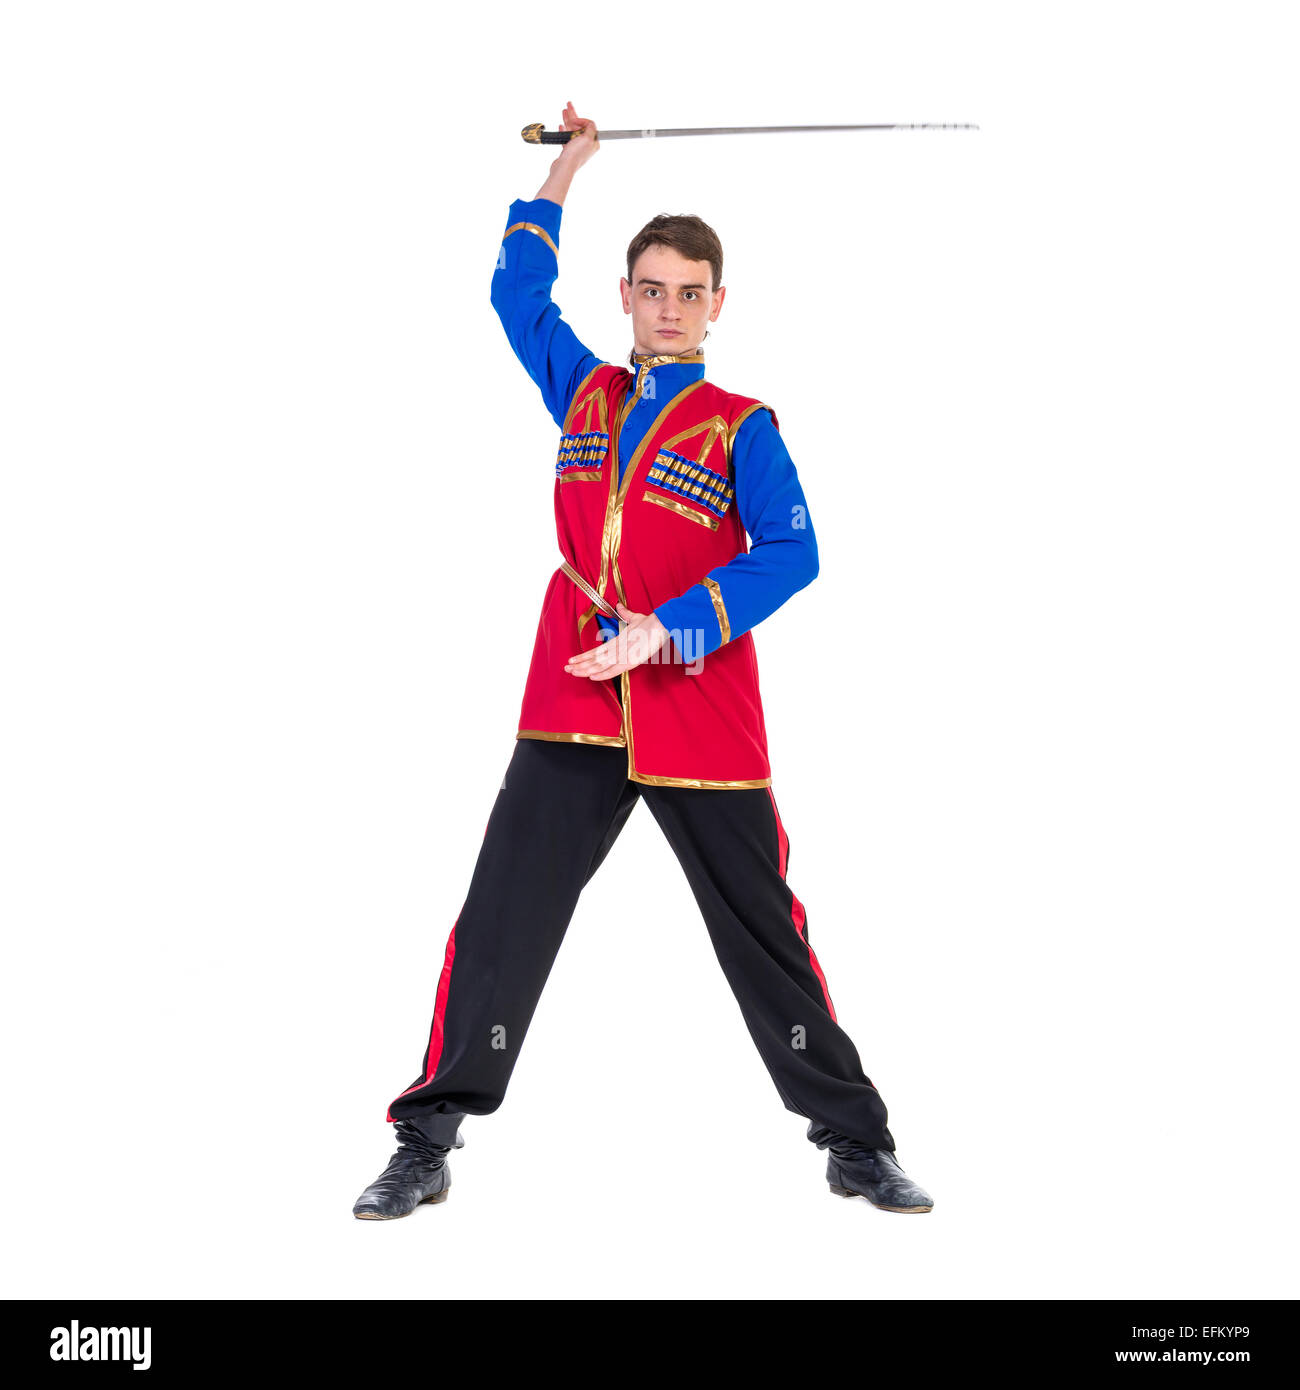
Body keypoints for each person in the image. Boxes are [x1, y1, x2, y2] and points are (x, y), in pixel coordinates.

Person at [352, 102, 934, 1219]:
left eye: (690, 292)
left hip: (698, 712)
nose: (669, 308)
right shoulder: (579, 387)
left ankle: (854, 1138)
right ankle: (426, 1132)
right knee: (501, 919)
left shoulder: (741, 427)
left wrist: (671, 626)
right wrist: (565, 171)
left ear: (718, 304)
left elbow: (794, 552)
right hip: (570, 703)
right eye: (651, 288)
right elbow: (512, 296)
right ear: (627, 297)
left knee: (766, 938)